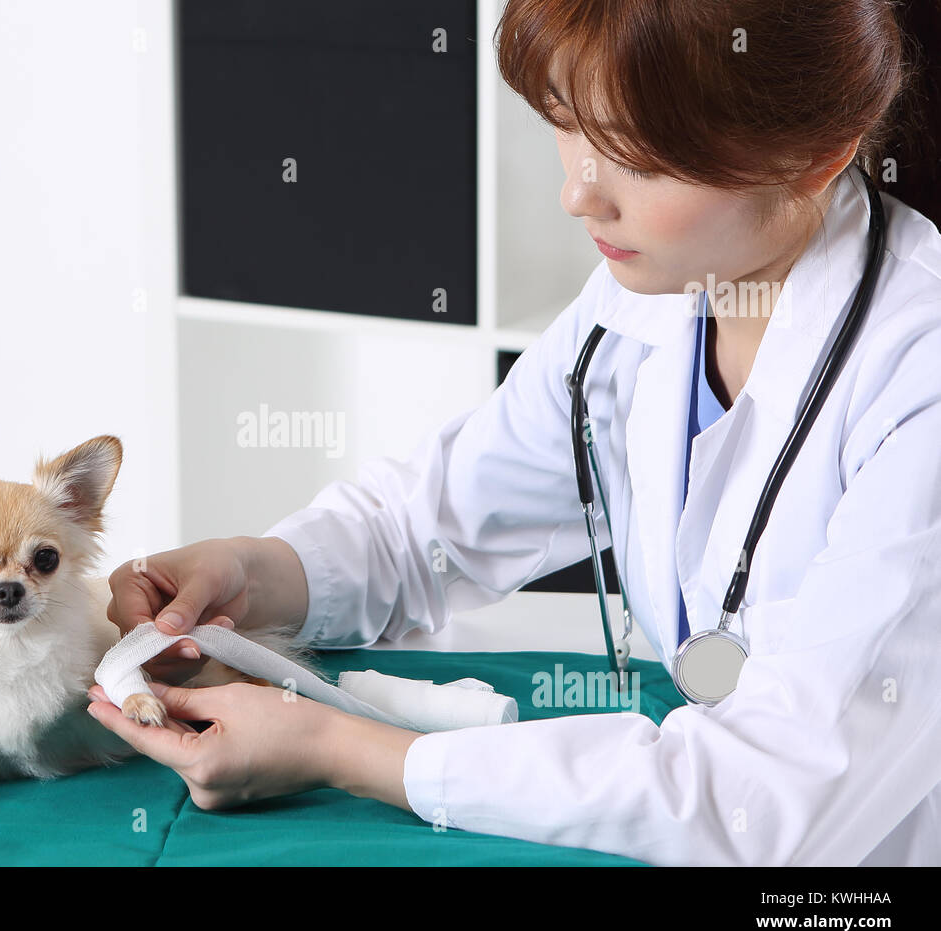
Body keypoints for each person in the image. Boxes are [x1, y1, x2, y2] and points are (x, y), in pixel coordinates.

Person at [87, 0, 941, 865]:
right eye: (568, 125)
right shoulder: (647, 299)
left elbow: (772, 796)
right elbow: (432, 524)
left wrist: (334, 749)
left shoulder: (919, 376)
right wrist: (254, 574)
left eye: (638, 157)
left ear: (815, 155)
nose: (578, 192)